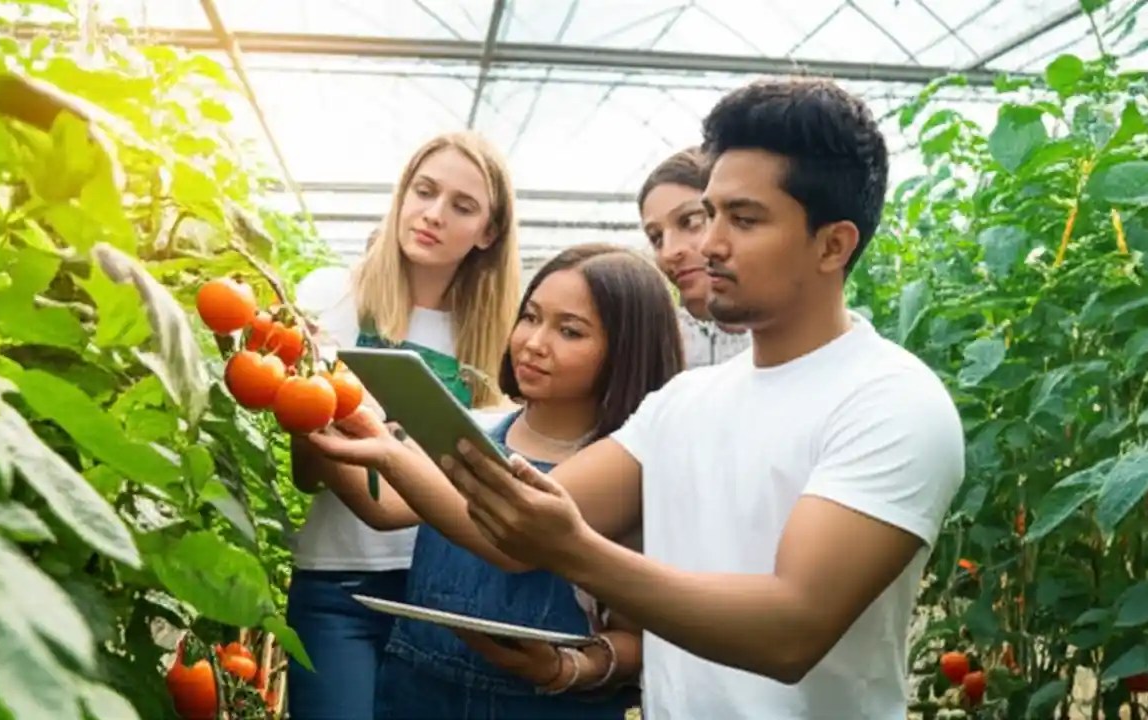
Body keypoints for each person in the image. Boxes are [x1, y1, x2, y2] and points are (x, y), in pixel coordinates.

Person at [439, 79, 967, 718]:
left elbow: (791, 629)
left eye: (744, 219)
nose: (709, 243)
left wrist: (573, 549)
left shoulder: (893, 402)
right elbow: (513, 533)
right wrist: (381, 446)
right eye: (710, 212)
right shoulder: (684, 402)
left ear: (834, 244)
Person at [301, 243, 683, 718]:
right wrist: (308, 401)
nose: (535, 342)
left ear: (627, 351)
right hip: (417, 692)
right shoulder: (477, 430)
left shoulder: (618, 468)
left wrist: (567, 668)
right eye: (531, 317)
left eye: (570, 331)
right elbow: (382, 507)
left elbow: (630, 632)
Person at [285, 130, 521, 719]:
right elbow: (305, 473)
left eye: (462, 207)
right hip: (337, 583)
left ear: (488, 233)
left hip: (447, 594)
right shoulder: (328, 298)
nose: (433, 214)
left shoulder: (500, 340)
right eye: (424, 191)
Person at [638, 146, 752, 368]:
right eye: (656, 238)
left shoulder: (810, 348)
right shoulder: (654, 350)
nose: (670, 252)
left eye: (691, 222)